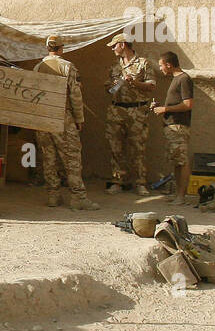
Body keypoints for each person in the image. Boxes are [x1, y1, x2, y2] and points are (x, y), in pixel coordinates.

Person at [35, 35, 99, 211]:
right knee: (71, 156)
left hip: (42, 117)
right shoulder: (67, 67)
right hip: (62, 116)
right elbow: (75, 95)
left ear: (48, 48)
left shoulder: (38, 67)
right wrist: (79, 119)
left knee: (49, 157)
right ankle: (78, 197)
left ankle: (53, 195)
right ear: (61, 48)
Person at [104, 33, 155, 195]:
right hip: (116, 110)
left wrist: (135, 83)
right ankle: (118, 180)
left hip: (137, 111)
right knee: (115, 147)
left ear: (123, 45)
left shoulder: (143, 63)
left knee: (137, 148)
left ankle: (140, 182)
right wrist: (113, 85)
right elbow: (109, 90)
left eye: (114, 46)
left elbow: (152, 86)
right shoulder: (114, 67)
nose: (113, 49)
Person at [153, 50, 194, 205]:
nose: (161, 69)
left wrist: (166, 109)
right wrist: (162, 107)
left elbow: (188, 104)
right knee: (177, 161)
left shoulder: (183, 79)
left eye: (161, 65)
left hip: (178, 127)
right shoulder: (176, 79)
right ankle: (178, 194)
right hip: (172, 126)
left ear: (169, 65)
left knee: (182, 161)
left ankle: (181, 197)